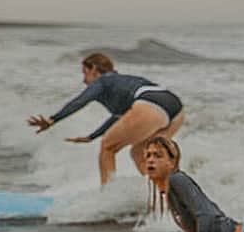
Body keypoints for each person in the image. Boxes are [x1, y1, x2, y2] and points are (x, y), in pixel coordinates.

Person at [27, 53, 185, 186]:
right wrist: (92, 136)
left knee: (108, 147)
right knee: (139, 152)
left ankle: (107, 197)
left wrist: (53, 120)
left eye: (85, 73)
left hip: (150, 103)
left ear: (94, 69)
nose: (84, 80)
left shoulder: (102, 81)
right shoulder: (121, 84)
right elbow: (118, 117)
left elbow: (81, 100)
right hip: (176, 110)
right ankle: (165, 194)